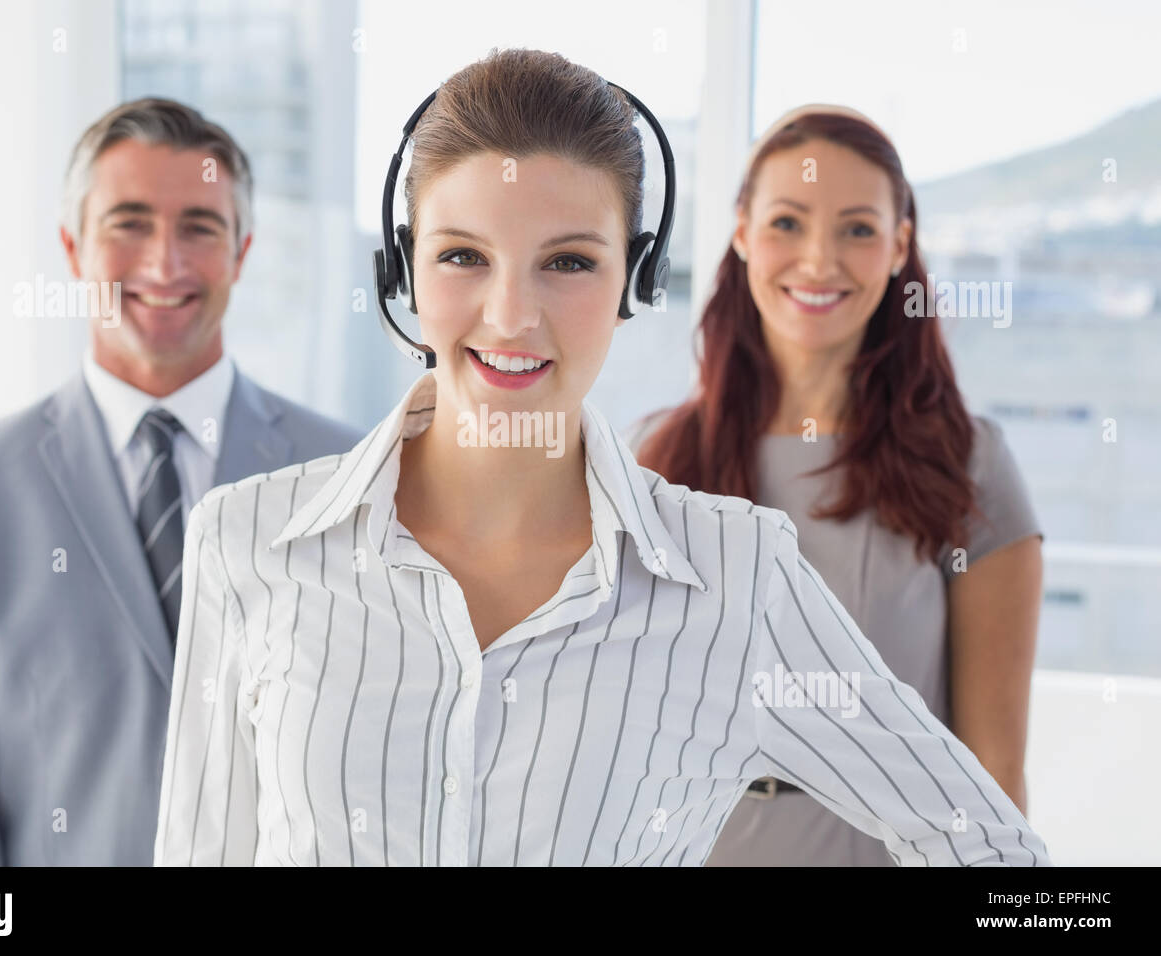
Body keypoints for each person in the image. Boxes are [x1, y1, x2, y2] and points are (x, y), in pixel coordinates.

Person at [153, 50, 1051, 866]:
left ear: (635, 278)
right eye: (463, 254)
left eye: (569, 262)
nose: (511, 315)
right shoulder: (247, 544)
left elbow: (996, 852)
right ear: (404, 270)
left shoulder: (737, 576)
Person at [0, 97, 363, 865]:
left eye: (200, 227)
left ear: (242, 252)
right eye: (129, 223)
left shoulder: (343, 477)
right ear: (73, 247)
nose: (164, 263)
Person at [632, 105, 1044, 866]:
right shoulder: (655, 459)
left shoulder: (968, 464)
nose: (819, 261)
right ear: (744, 232)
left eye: (857, 228)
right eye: (788, 222)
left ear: (899, 247)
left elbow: (995, 780)